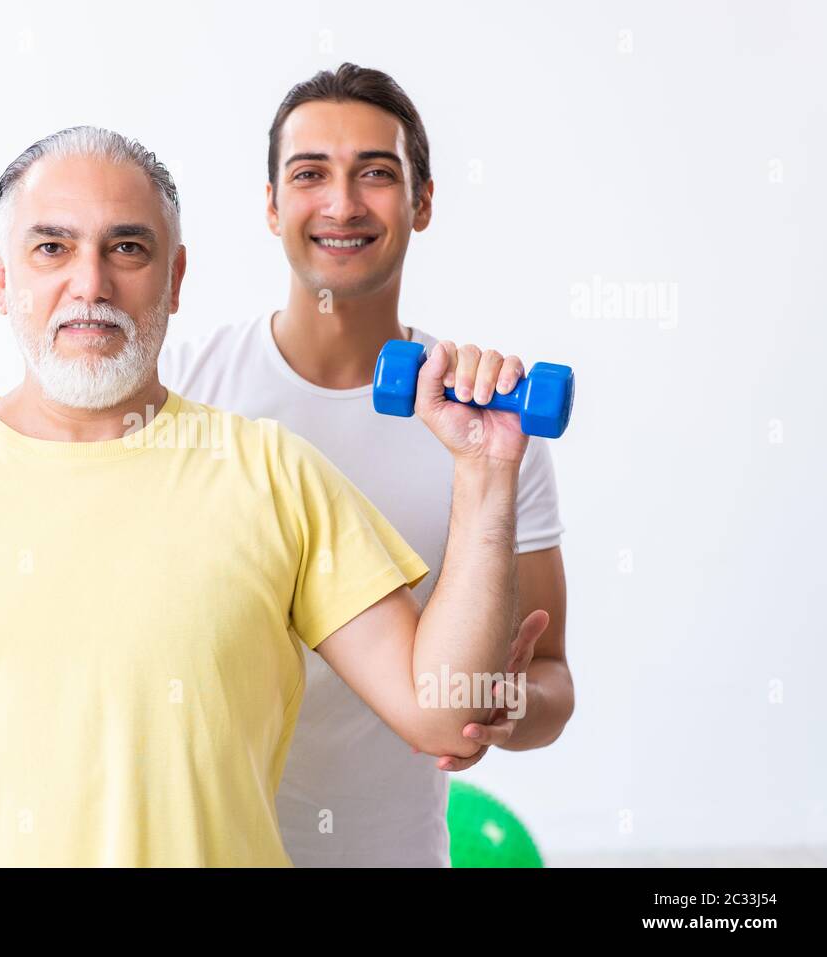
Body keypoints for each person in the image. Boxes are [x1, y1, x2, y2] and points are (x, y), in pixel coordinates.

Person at [0, 125, 534, 866]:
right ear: (2, 279)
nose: (90, 283)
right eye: (52, 248)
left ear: (176, 278)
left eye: (127, 246)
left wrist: (487, 476)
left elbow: (444, 714)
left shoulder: (276, 474)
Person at [159, 63, 573, 866]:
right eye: (310, 173)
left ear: (421, 201)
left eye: (375, 174)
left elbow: (553, 680)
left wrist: (494, 704)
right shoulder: (182, 398)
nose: (342, 203)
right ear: (273, 204)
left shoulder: (494, 426)